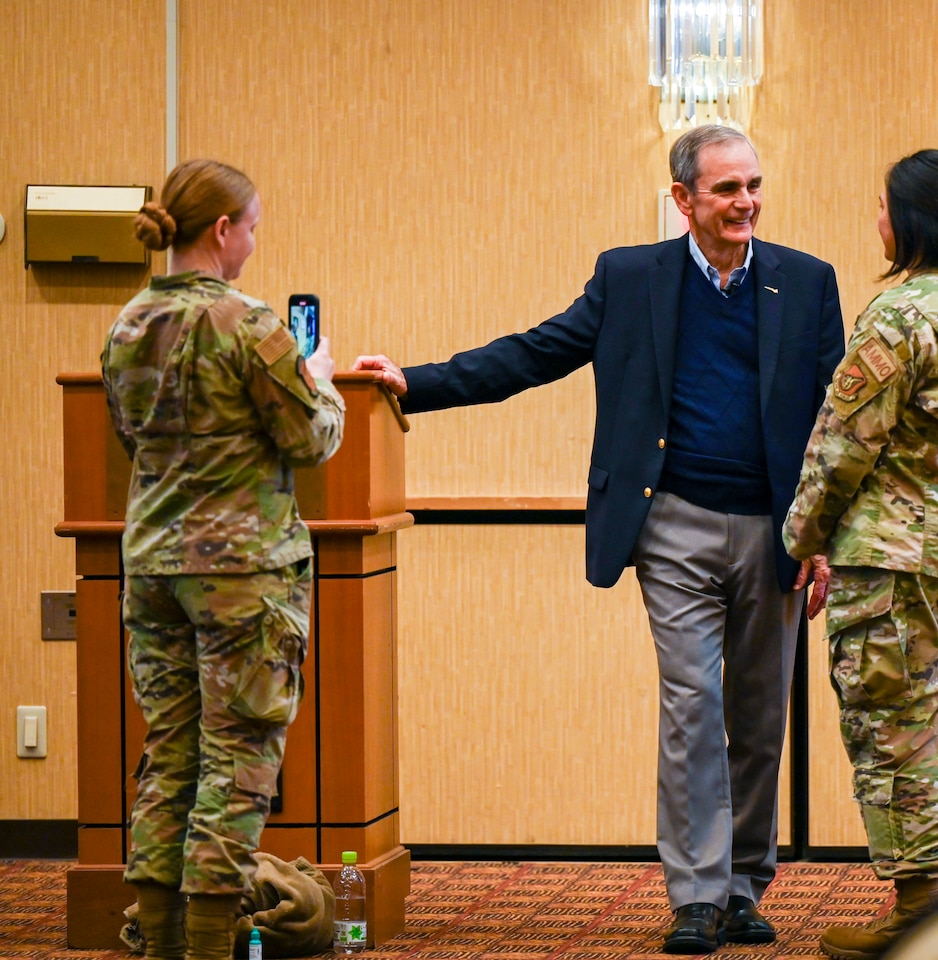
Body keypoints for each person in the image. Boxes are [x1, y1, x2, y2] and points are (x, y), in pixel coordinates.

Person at [354, 124, 844, 954]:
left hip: (776, 530)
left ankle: (741, 886)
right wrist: (419, 383)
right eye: (726, 189)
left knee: (760, 716)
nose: (746, 202)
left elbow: (837, 418)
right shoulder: (630, 277)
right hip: (673, 525)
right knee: (693, 705)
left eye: (753, 185)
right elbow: (535, 354)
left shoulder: (805, 281)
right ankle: (695, 893)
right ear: (683, 200)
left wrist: (824, 534)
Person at [782, 149, 938, 960]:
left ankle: (917, 909)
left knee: (893, 723)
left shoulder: (899, 316)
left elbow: (844, 444)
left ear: (915, 219)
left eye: (884, 207)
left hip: (895, 556)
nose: (878, 220)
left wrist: (802, 536)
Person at [101, 159, 345, 960]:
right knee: (237, 760)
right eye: (253, 227)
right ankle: (209, 945)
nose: (253, 243)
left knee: (168, 756)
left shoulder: (127, 324)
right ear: (222, 230)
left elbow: (130, 437)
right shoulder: (248, 323)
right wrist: (322, 382)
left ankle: (160, 940)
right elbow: (309, 437)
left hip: (152, 569)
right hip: (242, 576)